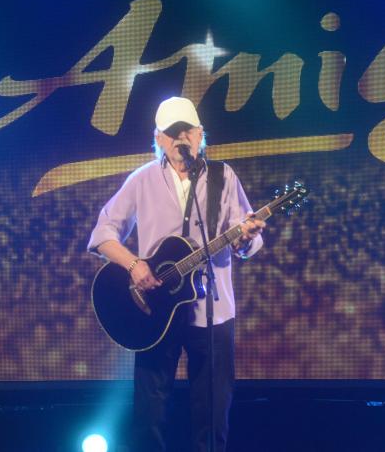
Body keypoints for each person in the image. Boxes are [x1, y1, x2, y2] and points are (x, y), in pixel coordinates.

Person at [88, 96, 265, 452]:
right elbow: (102, 234)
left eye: (187, 131)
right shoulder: (142, 180)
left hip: (213, 312)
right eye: (172, 133)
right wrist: (135, 264)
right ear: (159, 139)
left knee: (213, 412)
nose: (181, 139)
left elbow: (245, 242)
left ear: (201, 134)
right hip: (155, 311)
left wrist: (245, 240)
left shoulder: (223, 177)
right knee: (150, 412)